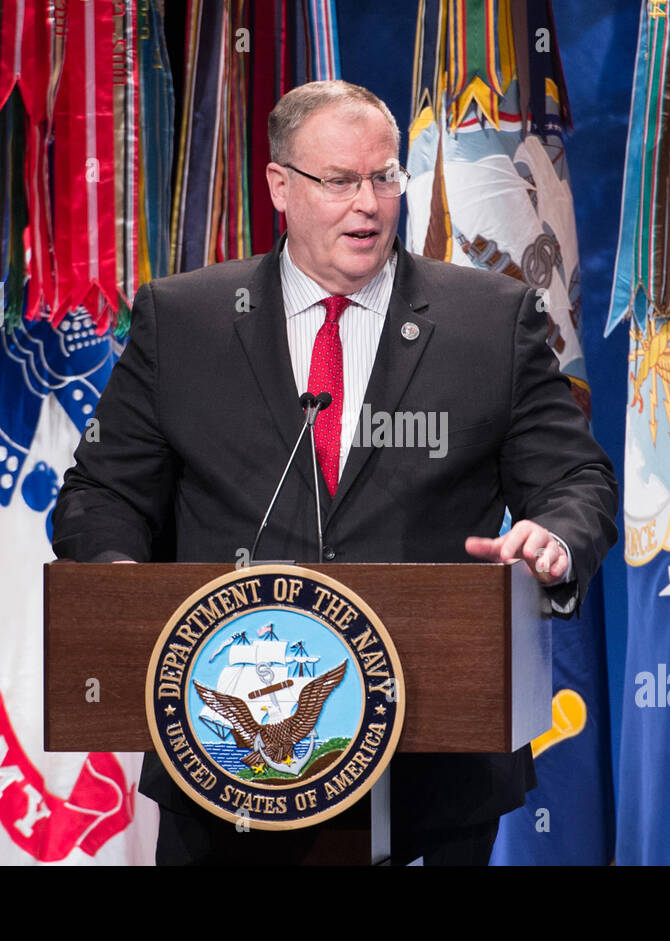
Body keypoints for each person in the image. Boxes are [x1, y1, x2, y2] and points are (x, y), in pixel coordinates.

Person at [51, 80, 618, 865]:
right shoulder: (184, 321)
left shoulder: (491, 320)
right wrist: (118, 576)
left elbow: (577, 482)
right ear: (280, 185)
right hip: (222, 768)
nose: (370, 204)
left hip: (435, 778)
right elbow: (103, 492)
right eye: (341, 181)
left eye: (385, 177)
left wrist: (551, 537)